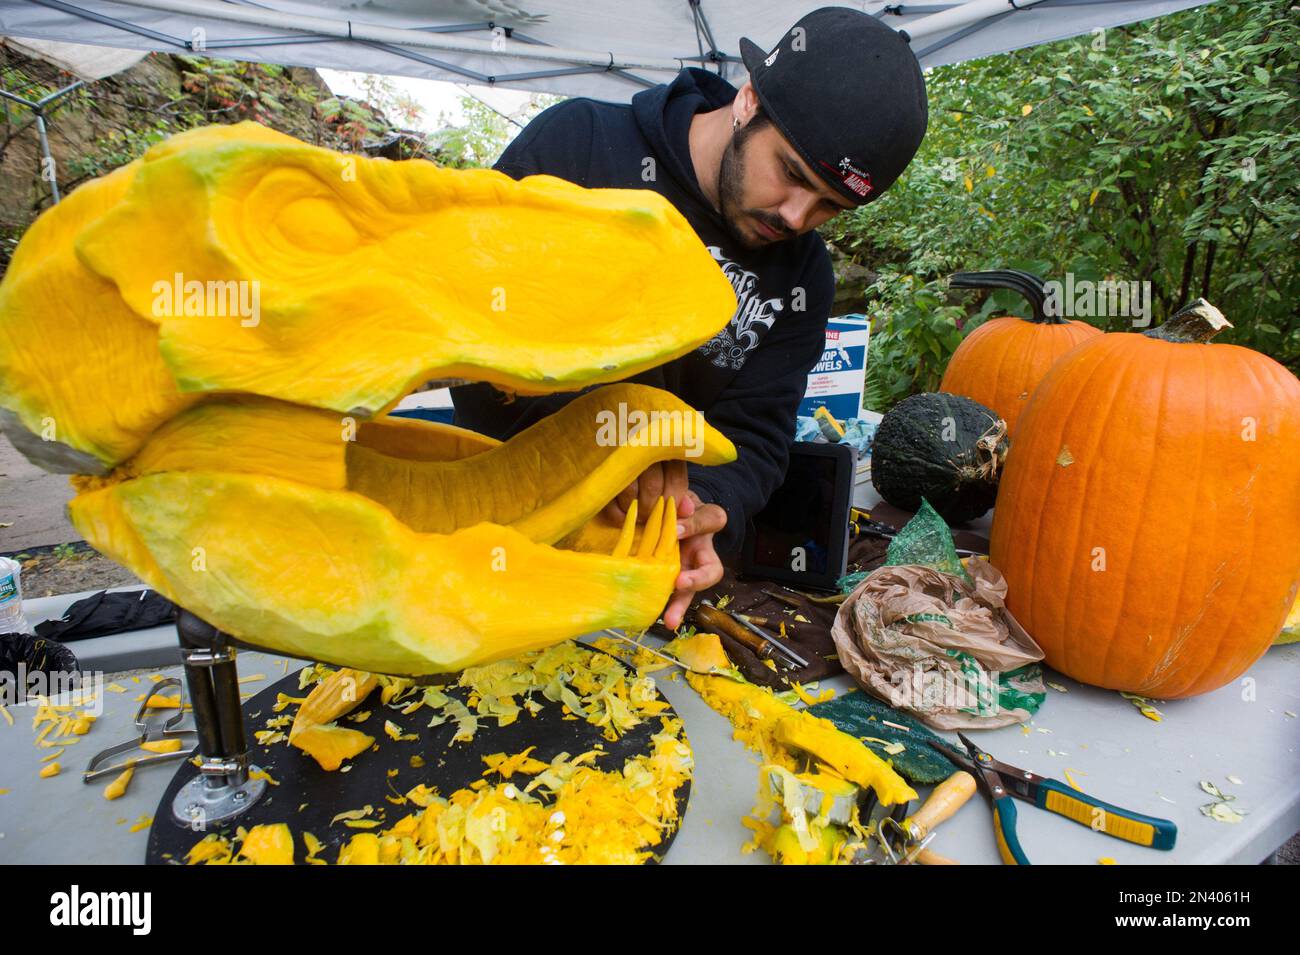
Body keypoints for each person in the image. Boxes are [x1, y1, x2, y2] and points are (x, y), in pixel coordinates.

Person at [452, 6, 928, 627]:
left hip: (631, 583)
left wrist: (707, 506)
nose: (794, 216)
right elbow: (466, 341)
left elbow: (757, 434)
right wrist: (604, 455)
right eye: (789, 173)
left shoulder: (804, 277)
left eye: (828, 207)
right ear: (749, 100)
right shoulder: (578, 147)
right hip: (484, 549)